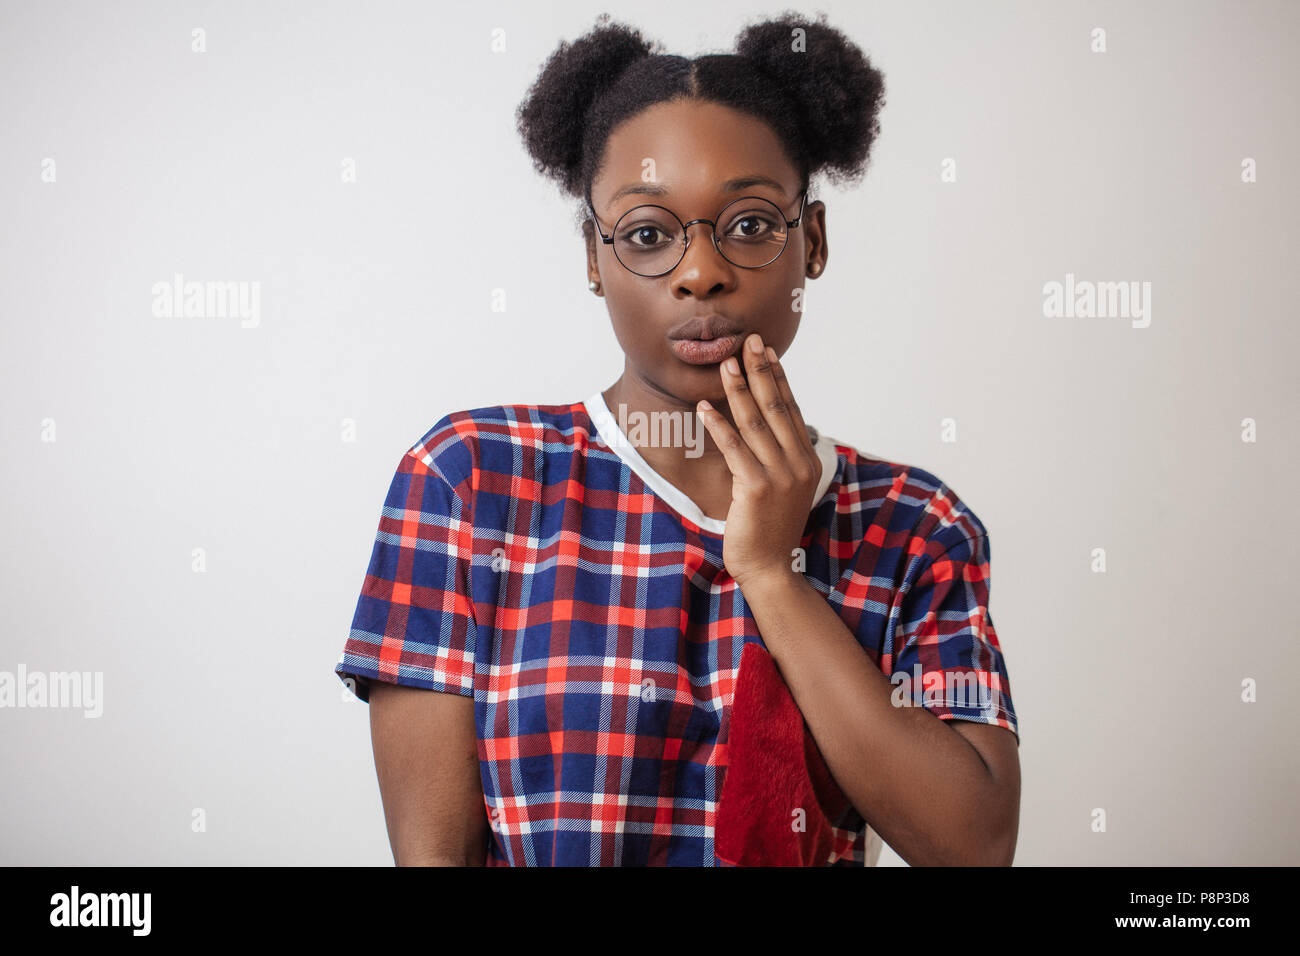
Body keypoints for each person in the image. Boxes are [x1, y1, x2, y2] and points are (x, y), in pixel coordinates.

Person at [335, 11, 1020, 867]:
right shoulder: (470, 481)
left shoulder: (914, 525)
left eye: (750, 224)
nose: (702, 272)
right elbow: (433, 857)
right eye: (650, 234)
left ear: (811, 242)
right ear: (594, 257)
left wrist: (772, 575)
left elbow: (974, 845)